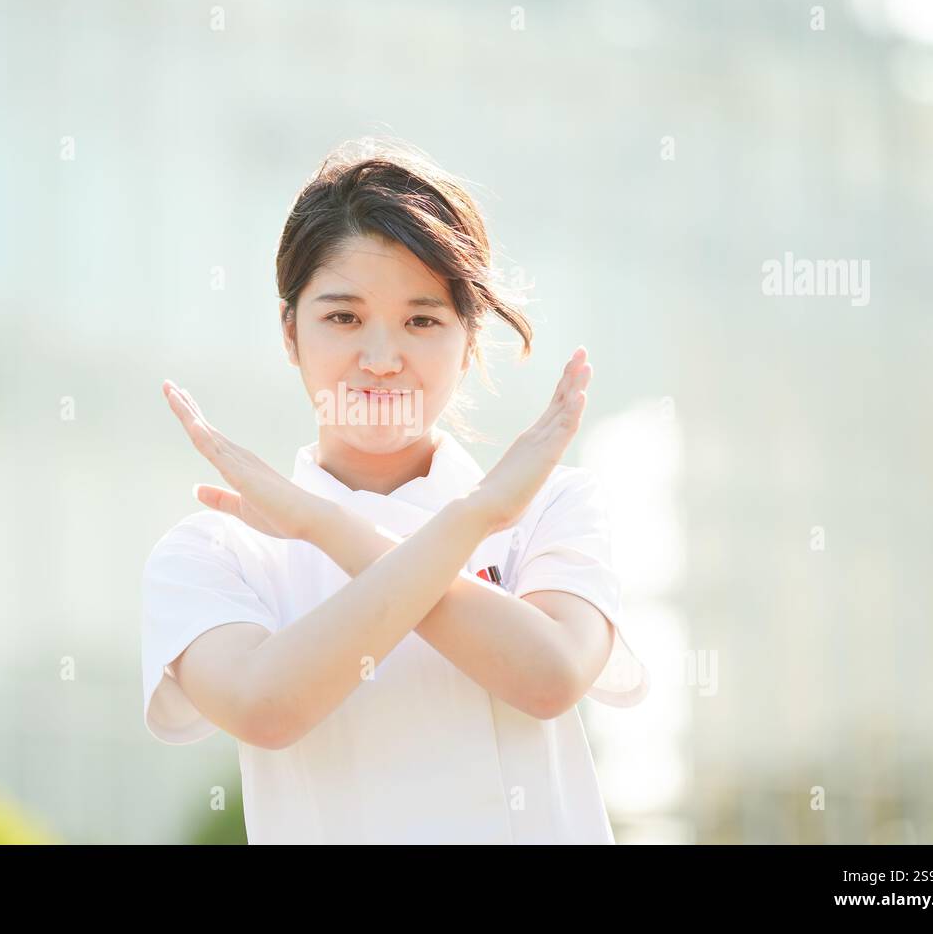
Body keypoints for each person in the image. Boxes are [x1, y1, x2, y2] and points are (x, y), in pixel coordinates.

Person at [141, 140, 650, 843]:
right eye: (343, 318)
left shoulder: (548, 508)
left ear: (469, 339)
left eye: (422, 320)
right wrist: (460, 523)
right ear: (289, 332)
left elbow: (549, 678)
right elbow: (267, 709)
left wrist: (336, 526)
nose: (381, 361)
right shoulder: (212, 552)